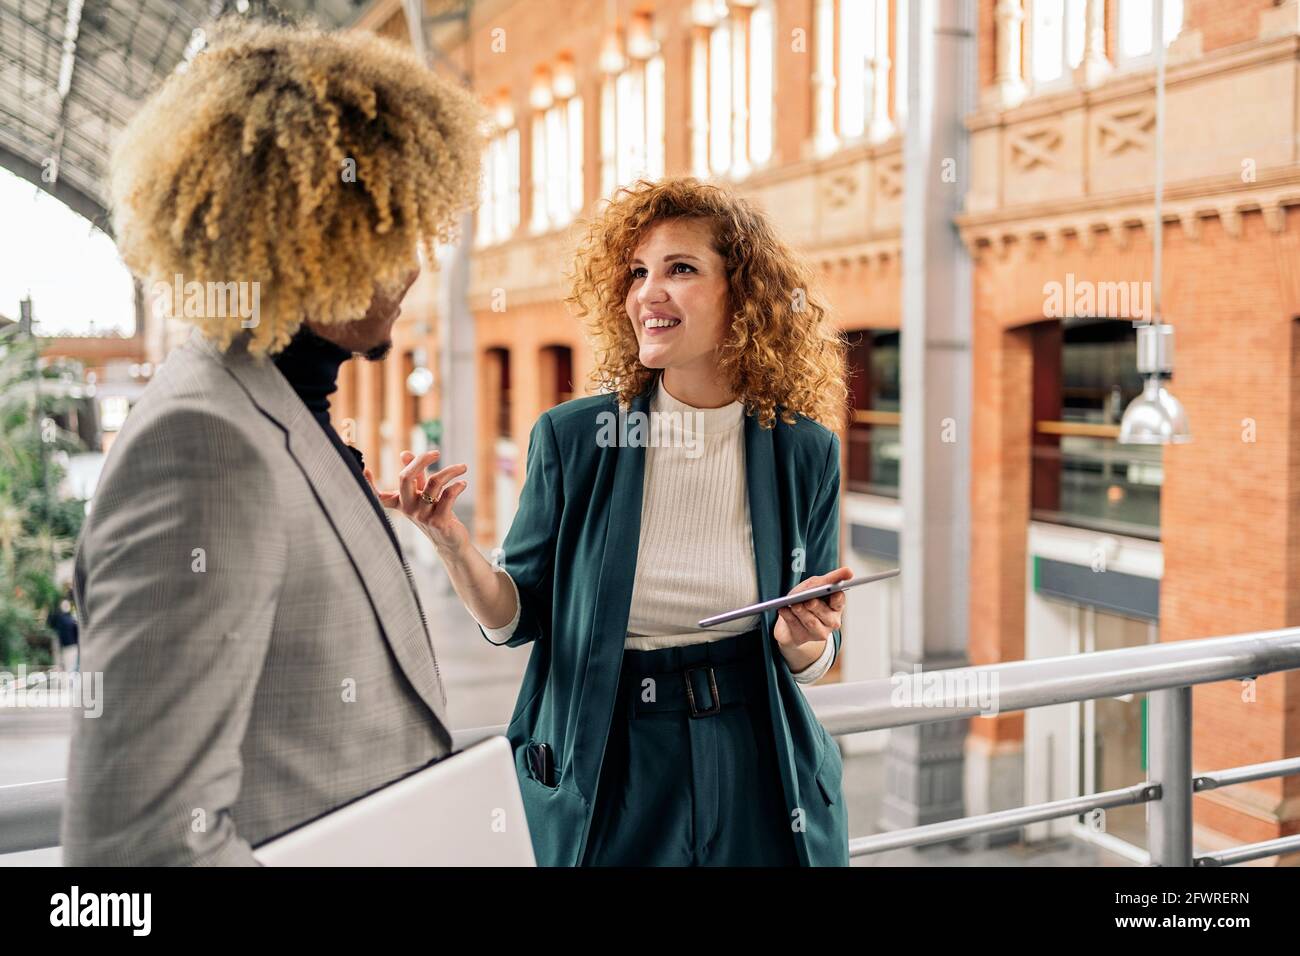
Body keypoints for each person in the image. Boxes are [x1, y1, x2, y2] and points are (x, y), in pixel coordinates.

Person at [62, 20, 483, 866]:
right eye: (390, 230)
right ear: (308, 235)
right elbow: (139, 849)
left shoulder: (279, 409)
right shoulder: (206, 445)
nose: (413, 267)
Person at [379, 177, 853, 866]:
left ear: (743, 295)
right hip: (613, 754)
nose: (648, 293)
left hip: (757, 756)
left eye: (680, 269)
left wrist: (802, 639)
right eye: (637, 273)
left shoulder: (804, 449)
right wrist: (452, 542)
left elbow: (814, 658)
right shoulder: (576, 440)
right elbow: (518, 619)